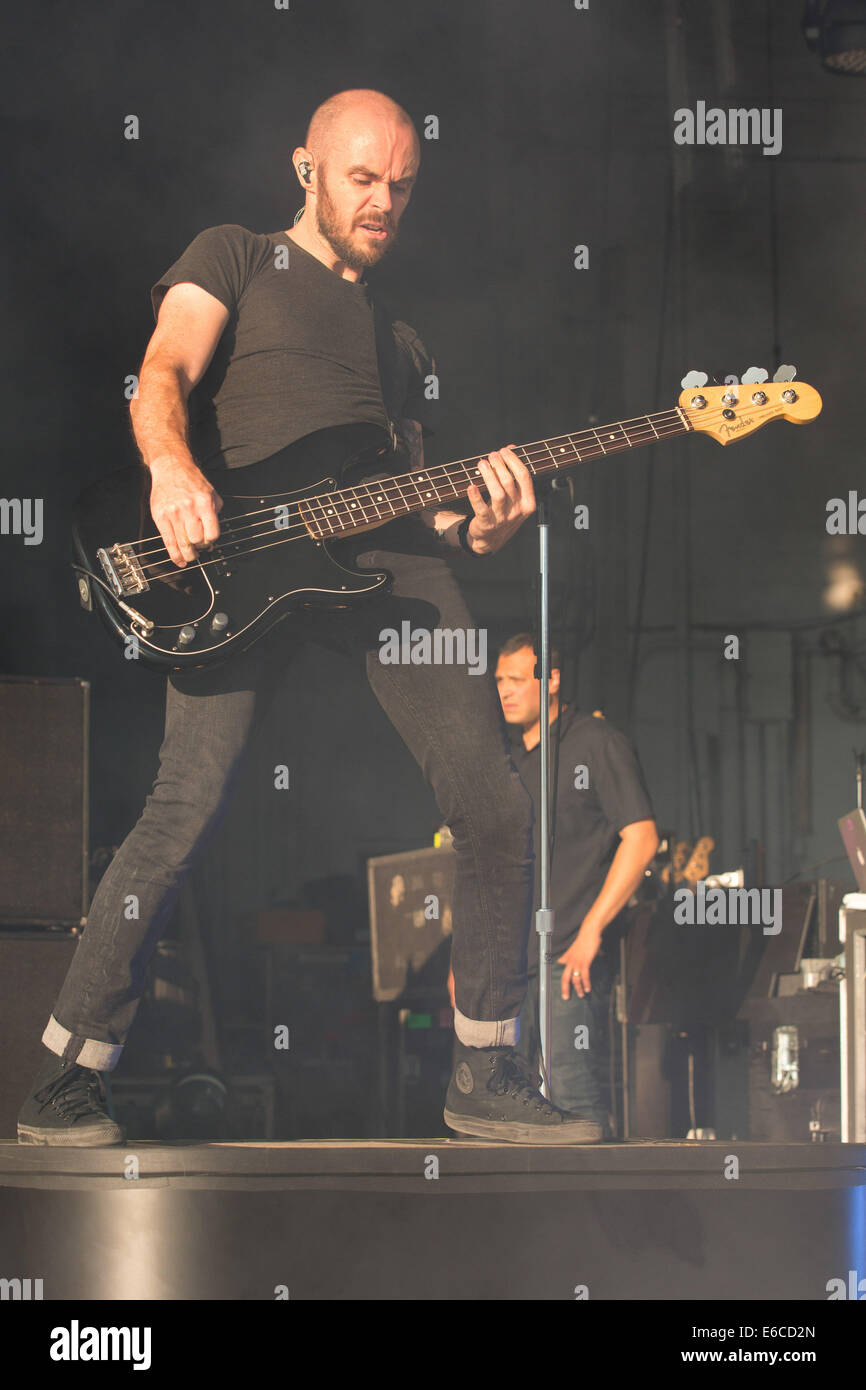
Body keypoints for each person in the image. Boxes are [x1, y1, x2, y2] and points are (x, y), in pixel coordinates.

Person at [18, 89, 603, 1147]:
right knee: (182, 806)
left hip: (383, 565)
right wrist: (169, 468)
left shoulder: (404, 343)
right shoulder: (234, 256)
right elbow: (162, 371)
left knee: (496, 803)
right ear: (306, 169)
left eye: (402, 187)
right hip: (238, 562)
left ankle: (484, 1066)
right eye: (361, 179)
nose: (383, 202)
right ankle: (65, 1074)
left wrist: (486, 528)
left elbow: (428, 504)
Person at [495, 634, 659, 1136]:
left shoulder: (595, 742)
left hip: (568, 958)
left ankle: (601, 1214)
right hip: (512, 969)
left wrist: (591, 931)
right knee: (511, 1109)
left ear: (552, 681)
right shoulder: (512, 763)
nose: (505, 691)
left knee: (574, 1100)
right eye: (499, 681)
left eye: (517, 680)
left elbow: (642, 837)